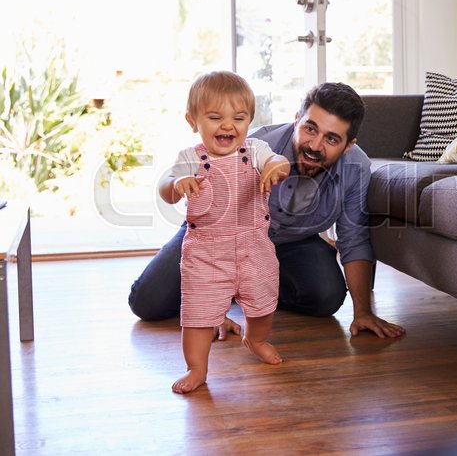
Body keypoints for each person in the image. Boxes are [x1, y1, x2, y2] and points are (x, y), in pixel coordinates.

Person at [128, 81, 405, 350]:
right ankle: (231, 288)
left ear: (348, 145)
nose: (315, 145)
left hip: (293, 243)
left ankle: (253, 290)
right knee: (148, 302)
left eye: (331, 139)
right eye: (310, 129)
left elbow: (353, 238)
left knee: (326, 297)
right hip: (216, 234)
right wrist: (212, 305)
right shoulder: (255, 145)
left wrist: (363, 312)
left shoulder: (356, 167)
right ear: (296, 120)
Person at [163, 71, 291, 394]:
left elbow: (279, 161)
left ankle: (255, 339)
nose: (227, 125)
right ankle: (196, 368)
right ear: (193, 121)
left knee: (263, 306)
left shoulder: (256, 150)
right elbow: (165, 187)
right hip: (206, 255)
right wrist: (177, 184)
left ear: (249, 120)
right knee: (197, 316)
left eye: (238, 117)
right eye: (215, 117)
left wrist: (276, 166)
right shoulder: (190, 158)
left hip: (254, 250)